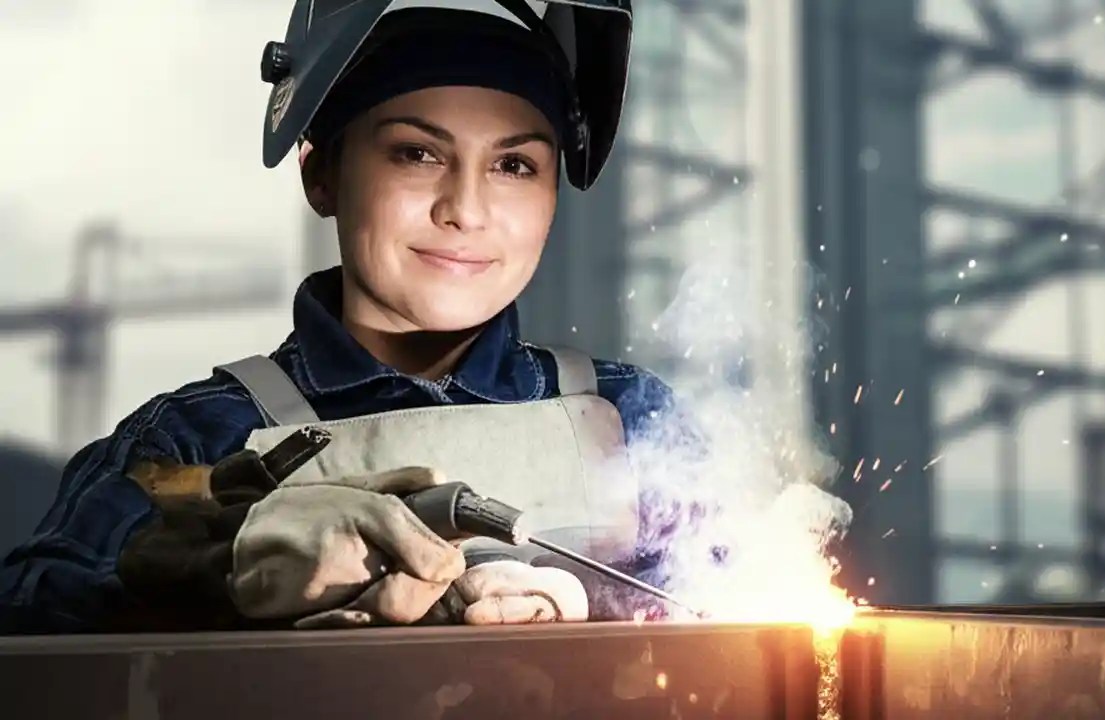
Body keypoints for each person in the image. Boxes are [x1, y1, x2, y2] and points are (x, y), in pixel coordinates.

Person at [0, 0, 691, 634]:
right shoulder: (192, 445)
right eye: (416, 153)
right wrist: (219, 569)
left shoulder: (629, 415)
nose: (467, 210)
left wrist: (591, 603)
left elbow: (743, 596)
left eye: (514, 165)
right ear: (321, 175)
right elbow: (33, 610)